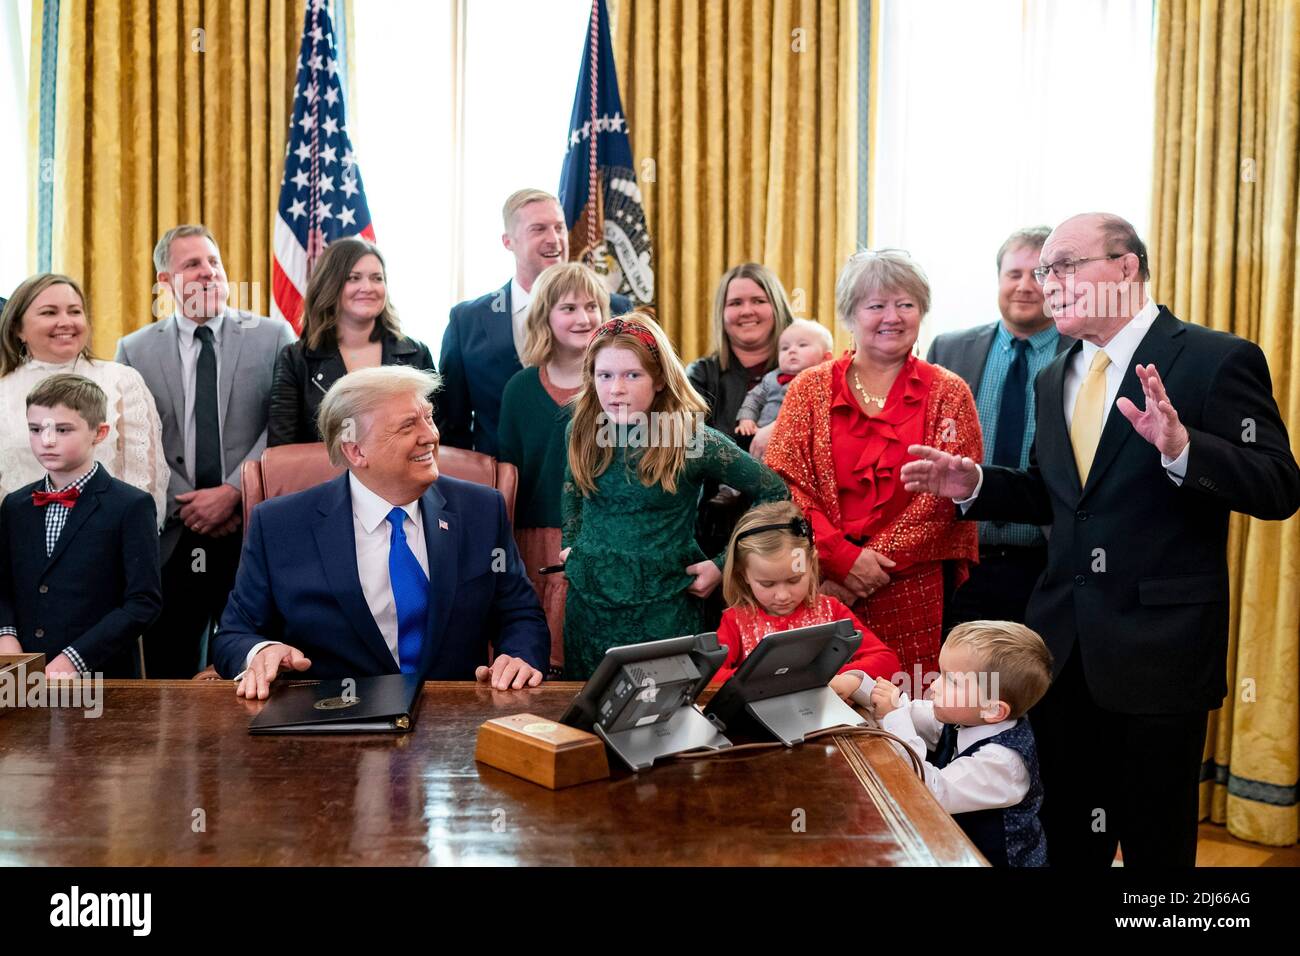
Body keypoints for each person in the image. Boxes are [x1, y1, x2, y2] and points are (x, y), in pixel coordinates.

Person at [901, 212, 1300, 867]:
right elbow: (1053, 495)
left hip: (1159, 653)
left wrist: (1183, 449)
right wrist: (975, 483)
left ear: (1126, 268)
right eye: (1041, 270)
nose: (1046, 282)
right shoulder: (1053, 372)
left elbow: (1280, 486)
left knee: (1155, 843)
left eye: (1064, 266)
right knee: (1067, 833)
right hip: (1061, 649)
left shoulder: (1212, 358)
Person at [211, 365, 549, 697]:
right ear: (356, 450)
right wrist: (261, 652)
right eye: (407, 426)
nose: (430, 435)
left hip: (454, 722)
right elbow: (234, 635)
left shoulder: (480, 510)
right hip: (334, 725)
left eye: (428, 417)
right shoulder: (280, 525)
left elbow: (520, 615)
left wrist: (518, 656)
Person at [764, 249, 981, 684]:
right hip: (816, 580)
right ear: (849, 314)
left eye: (906, 304)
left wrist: (869, 566)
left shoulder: (949, 391)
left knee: (904, 711)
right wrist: (843, 560)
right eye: (876, 305)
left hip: (911, 587)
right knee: (814, 704)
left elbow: (948, 494)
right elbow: (784, 485)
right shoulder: (809, 388)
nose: (893, 317)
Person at [559, 314, 789, 681]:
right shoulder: (582, 429)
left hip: (667, 609)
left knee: (664, 721)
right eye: (605, 375)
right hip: (589, 610)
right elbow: (573, 491)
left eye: (632, 375)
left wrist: (723, 563)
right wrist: (570, 546)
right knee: (587, 721)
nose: (616, 388)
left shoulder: (694, 441)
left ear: (660, 379)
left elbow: (774, 493)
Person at [116, 224, 296, 678]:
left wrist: (233, 491)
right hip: (174, 530)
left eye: (213, 262)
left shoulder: (273, 337)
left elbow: (283, 428)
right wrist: (188, 500)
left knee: (249, 664)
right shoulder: (134, 350)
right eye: (192, 264)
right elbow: (132, 438)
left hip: (251, 526)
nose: (208, 273)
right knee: (169, 668)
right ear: (165, 281)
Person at [928, 227, 1073, 628]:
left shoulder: (1082, 356)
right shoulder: (949, 349)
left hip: (1047, 566)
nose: (1025, 287)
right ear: (998, 279)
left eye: (1039, 274)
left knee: (1037, 687)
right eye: (1014, 274)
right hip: (962, 565)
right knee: (962, 689)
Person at [437, 188, 631, 457]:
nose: (554, 239)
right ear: (508, 241)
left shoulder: (615, 308)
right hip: (498, 488)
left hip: (597, 475)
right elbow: (451, 426)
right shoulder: (467, 321)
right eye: (538, 229)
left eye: (559, 228)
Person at [0, 374, 162, 677]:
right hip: (19, 676)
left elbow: (143, 601)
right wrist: (5, 636)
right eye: (36, 429)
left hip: (101, 676)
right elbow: (3, 585)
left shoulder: (131, 505)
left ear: (99, 432)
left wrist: (74, 658)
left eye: (63, 430)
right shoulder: (15, 505)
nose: (47, 441)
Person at [861, 620, 1052, 867]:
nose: (934, 685)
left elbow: (927, 792)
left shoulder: (1003, 762)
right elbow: (906, 711)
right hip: (956, 851)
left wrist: (892, 716)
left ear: (993, 709)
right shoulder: (967, 716)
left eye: (952, 681)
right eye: (940, 673)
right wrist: (860, 686)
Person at [497, 263, 610, 673]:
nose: (583, 318)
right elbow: (508, 476)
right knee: (541, 650)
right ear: (544, 315)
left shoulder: (616, 385)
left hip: (602, 535)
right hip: (534, 538)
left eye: (592, 306)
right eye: (569, 308)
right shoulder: (520, 389)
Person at [0, 274, 168, 520]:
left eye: (75, 311)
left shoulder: (122, 381)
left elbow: (144, 481)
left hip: (106, 542)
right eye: (49, 313)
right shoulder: (3, 391)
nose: (65, 322)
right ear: (18, 328)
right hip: (21, 547)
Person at [712, 501, 899, 689]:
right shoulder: (736, 620)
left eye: (794, 580)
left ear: (811, 564)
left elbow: (886, 661)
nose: (783, 595)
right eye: (767, 584)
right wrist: (768, 678)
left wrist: (846, 678)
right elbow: (711, 676)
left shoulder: (830, 610)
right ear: (743, 574)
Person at [268, 238, 435, 446]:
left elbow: (437, 438)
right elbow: (281, 453)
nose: (368, 287)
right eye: (354, 278)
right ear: (330, 285)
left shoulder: (417, 354)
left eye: (377, 278)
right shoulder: (295, 359)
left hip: (401, 477)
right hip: (323, 476)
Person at [735, 318, 834, 451]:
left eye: (802, 345)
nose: (791, 351)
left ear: (825, 358)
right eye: (785, 348)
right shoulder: (770, 379)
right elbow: (753, 399)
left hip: (800, 446)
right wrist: (746, 419)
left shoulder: (823, 382)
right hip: (759, 440)